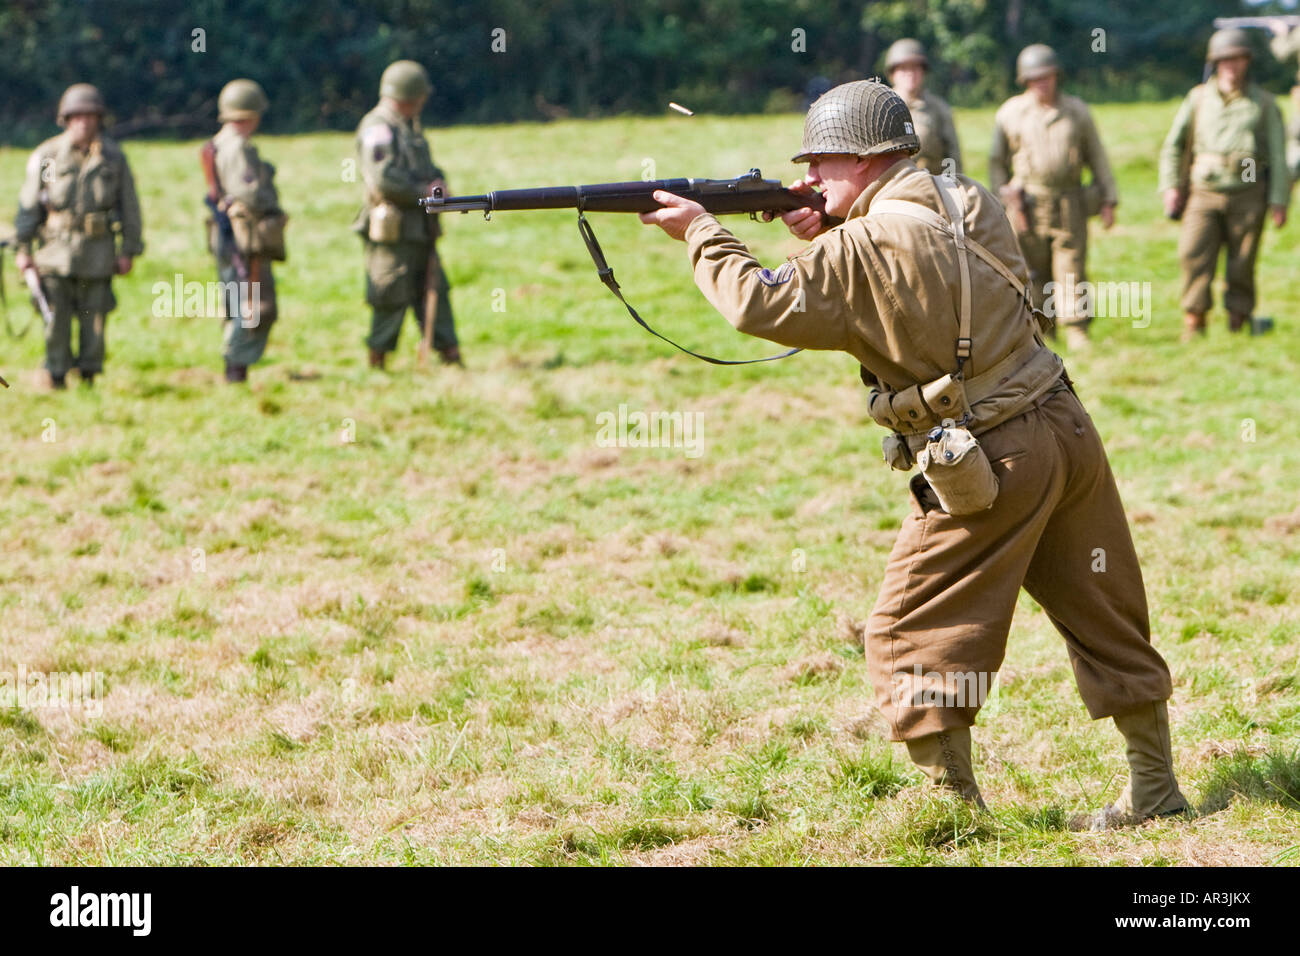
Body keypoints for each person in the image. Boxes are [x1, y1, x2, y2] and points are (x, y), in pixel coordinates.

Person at [639, 80, 1187, 828]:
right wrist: (825, 229)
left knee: (909, 626)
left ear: (862, 160)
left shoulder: (860, 245)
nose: (810, 176)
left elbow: (760, 305)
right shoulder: (970, 201)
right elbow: (923, 272)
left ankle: (950, 810)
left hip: (990, 455)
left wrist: (704, 230)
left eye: (821, 163)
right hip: (1063, 426)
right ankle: (1155, 786)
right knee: (1106, 610)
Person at [1158, 28, 1289, 341]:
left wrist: (1279, 200)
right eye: (1225, 59)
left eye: (1238, 58)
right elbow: (1174, 145)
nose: (1232, 65)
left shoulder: (1265, 103)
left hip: (1248, 191)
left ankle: (1238, 319)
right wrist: (1171, 187)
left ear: (1247, 61)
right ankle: (1194, 318)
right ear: (1215, 62)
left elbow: (1278, 155)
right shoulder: (1198, 99)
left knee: (1243, 260)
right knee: (1193, 255)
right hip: (1203, 190)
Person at [13, 84, 143, 389]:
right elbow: (30, 204)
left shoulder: (113, 157)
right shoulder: (48, 156)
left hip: (98, 253)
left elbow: (130, 206)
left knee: (94, 317)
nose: (83, 122)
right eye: (77, 116)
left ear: (99, 118)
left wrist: (129, 249)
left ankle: (89, 376)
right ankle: (55, 375)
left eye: (90, 116)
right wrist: (22, 247)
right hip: (55, 253)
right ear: (66, 119)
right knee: (55, 318)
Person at [989, 45, 1117, 353]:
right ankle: (1039, 329)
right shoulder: (1010, 114)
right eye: (1034, 79)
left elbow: (1097, 155)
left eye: (1046, 77)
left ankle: (1076, 327)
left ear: (1056, 76)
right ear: (1025, 81)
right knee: (1031, 269)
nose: (1041, 84)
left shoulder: (1077, 111)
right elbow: (996, 161)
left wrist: (1108, 198)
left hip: (1069, 200)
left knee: (1071, 265)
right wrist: (1002, 194)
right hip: (1027, 204)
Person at [353, 59, 461, 369]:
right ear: (411, 96)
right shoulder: (378, 128)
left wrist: (437, 182)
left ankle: (449, 354)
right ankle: (378, 359)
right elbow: (383, 178)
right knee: (390, 290)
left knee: (434, 287)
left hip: (419, 226)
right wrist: (424, 191)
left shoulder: (407, 126)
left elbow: (426, 167)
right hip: (393, 226)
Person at [204, 79, 286, 383]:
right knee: (255, 304)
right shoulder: (238, 147)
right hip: (244, 239)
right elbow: (249, 192)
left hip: (229, 238)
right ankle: (236, 365)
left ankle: (235, 365)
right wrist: (273, 207)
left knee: (238, 299)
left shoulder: (219, 143)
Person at [884, 38, 962, 175]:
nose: (910, 73)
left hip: (931, 185)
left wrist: (951, 185)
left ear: (923, 71)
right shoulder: (881, 108)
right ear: (892, 73)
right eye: (903, 68)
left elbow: (952, 155)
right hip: (892, 187)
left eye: (915, 68)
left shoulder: (939, 109)